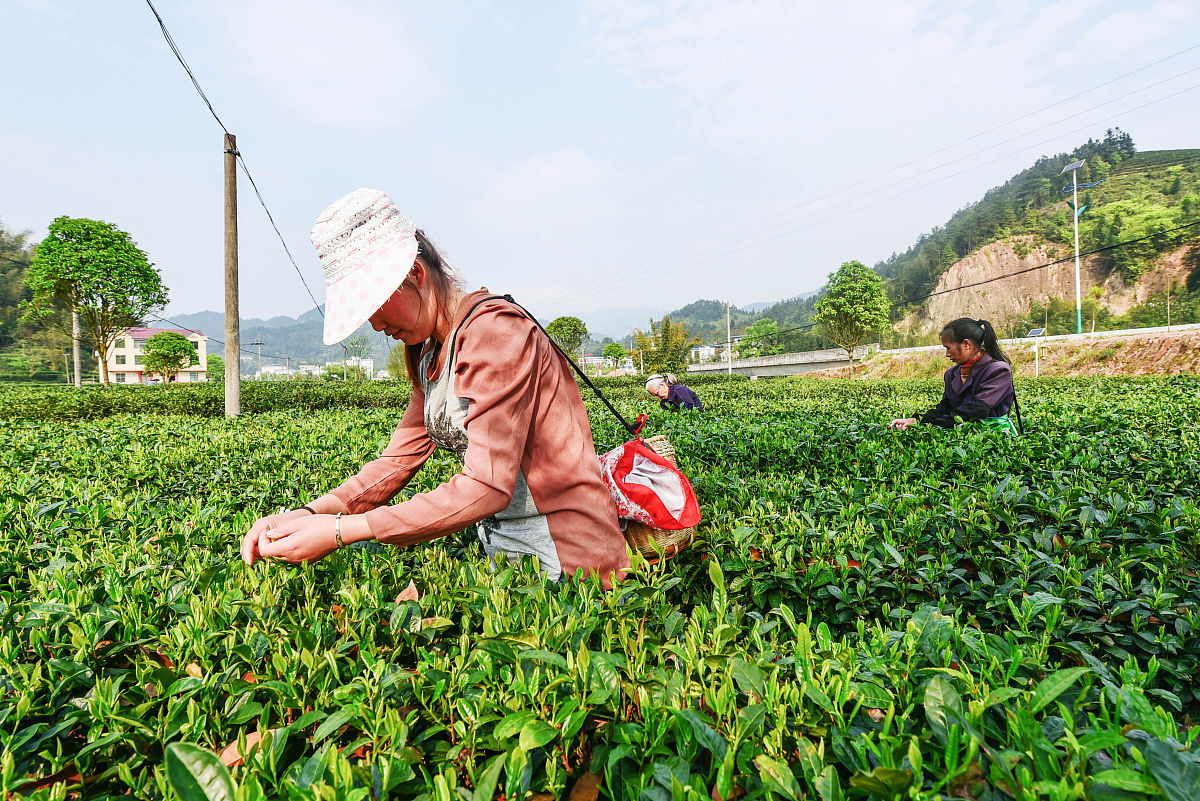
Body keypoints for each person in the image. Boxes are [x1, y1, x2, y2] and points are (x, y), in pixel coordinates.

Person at [240, 188, 629, 588]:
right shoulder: (431, 352)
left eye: (374, 305)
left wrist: (341, 531)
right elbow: (397, 461)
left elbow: (487, 486)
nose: (375, 325)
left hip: (571, 563)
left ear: (416, 274)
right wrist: (309, 515)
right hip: (515, 562)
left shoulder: (494, 332)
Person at [889, 318, 1017, 434]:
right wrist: (915, 420)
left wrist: (928, 425)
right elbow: (946, 407)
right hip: (958, 433)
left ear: (967, 344)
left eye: (948, 348)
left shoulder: (998, 370)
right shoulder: (951, 374)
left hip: (992, 437)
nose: (947, 354)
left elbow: (977, 410)